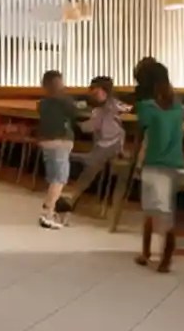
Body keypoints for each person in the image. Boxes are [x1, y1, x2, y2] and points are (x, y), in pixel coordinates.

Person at [133, 59, 184, 273]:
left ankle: (160, 257)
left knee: (151, 210)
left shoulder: (146, 108)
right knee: (165, 210)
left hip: (153, 163)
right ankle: (153, 254)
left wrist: (134, 161)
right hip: (176, 163)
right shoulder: (178, 106)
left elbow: (140, 136)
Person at [62, 76, 130, 208]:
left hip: (113, 145)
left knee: (92, 163)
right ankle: (72, 193)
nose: (92, 93)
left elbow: (91, 126)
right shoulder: (99, 109)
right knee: (88, 159)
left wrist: (76, 124)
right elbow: (91, 126)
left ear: (105, 90)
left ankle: (73, 196)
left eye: (95, 90)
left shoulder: (113, 106)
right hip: (102, 145)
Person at [36, 69, 79, 229]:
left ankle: (54, 211)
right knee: (59, 179)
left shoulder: (42, 103)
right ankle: (47, 212)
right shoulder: (66, 101)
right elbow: (76, 112)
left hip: (46, 141)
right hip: (61, 141)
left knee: (53, 177)